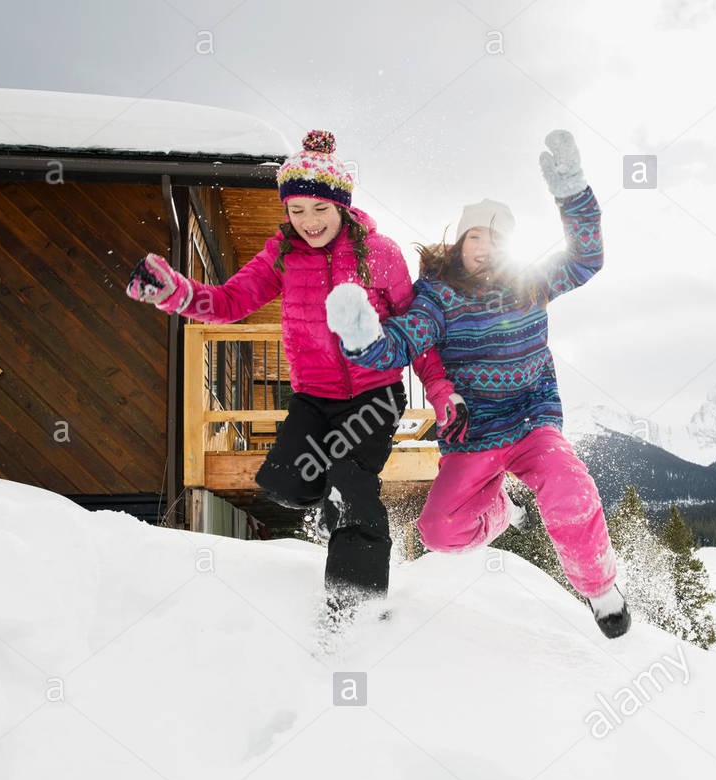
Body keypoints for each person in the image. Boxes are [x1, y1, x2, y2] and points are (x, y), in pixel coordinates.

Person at [125, 130, 467, 627]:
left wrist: (438, 389)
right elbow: (228, 302)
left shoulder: (380, 254)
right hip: (313, 396)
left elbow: (418, 332)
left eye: (319, 210)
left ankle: (356, 606)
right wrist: (175, 293)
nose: (307, 222)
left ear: (342, 206)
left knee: (351, 482)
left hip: (374, 394)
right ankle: (336, 508)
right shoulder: (282, 256)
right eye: (297, 210)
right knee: (285, 482)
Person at [323, 130, 630, 638]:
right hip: (474, 435)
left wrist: (572, 192)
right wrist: (363, 337)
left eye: (493, 238)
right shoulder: (438, 296)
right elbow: (404, 340)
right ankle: (503, 513)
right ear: (460, 243)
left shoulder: (532, 282)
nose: (483, 247)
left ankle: (600, 589)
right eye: (474, 237)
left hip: (532, 423)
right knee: (439, 532)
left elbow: (586, 258)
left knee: (571, 490)